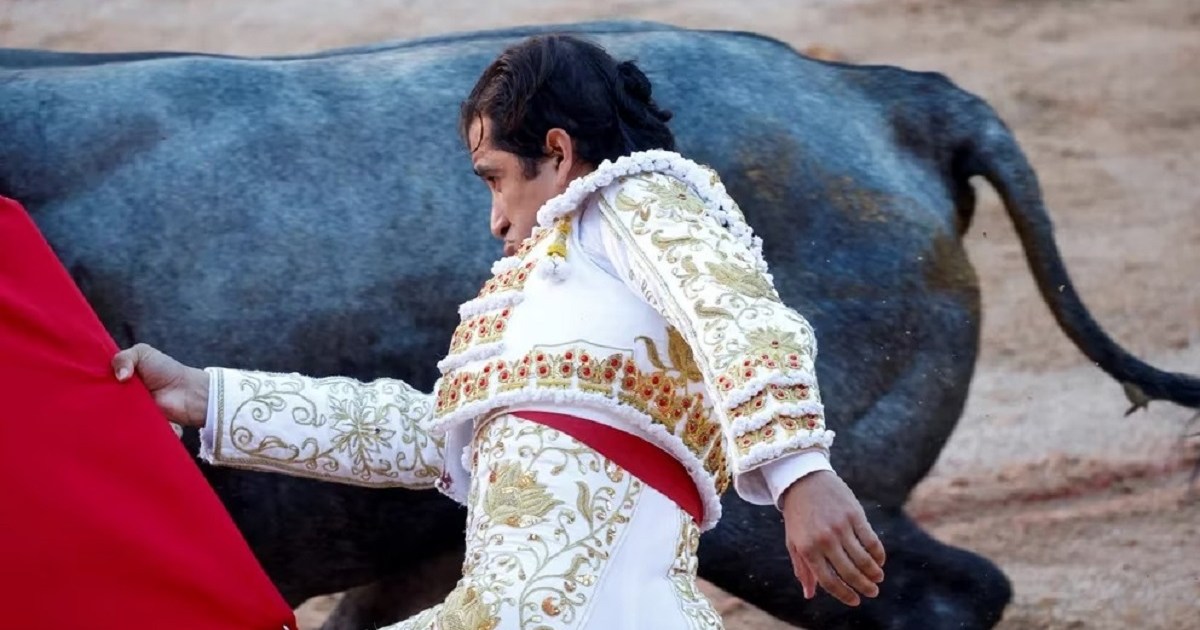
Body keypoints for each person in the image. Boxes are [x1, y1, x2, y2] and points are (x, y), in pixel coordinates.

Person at [113, 34, 885, 629]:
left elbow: (738, 314)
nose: (495, 220)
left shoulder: (635, 199)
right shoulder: (552, 301)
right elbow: (420, 435)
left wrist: (800, 474)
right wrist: (208, 398)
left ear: (558, 153)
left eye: (495, 179)